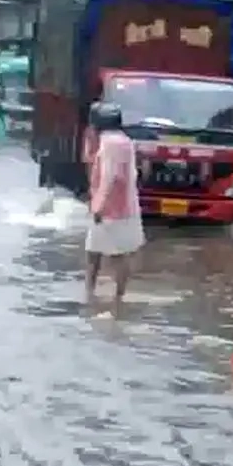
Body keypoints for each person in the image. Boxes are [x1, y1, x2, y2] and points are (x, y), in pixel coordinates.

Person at [84, 102, 144, 312]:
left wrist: (98, 206)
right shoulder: (126, 141)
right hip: (125, 205)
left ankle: (93, 294)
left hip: (109, 207)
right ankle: (118, 297)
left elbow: (109, 176)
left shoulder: (108, 143)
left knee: (98, 254)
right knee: (114, 253)